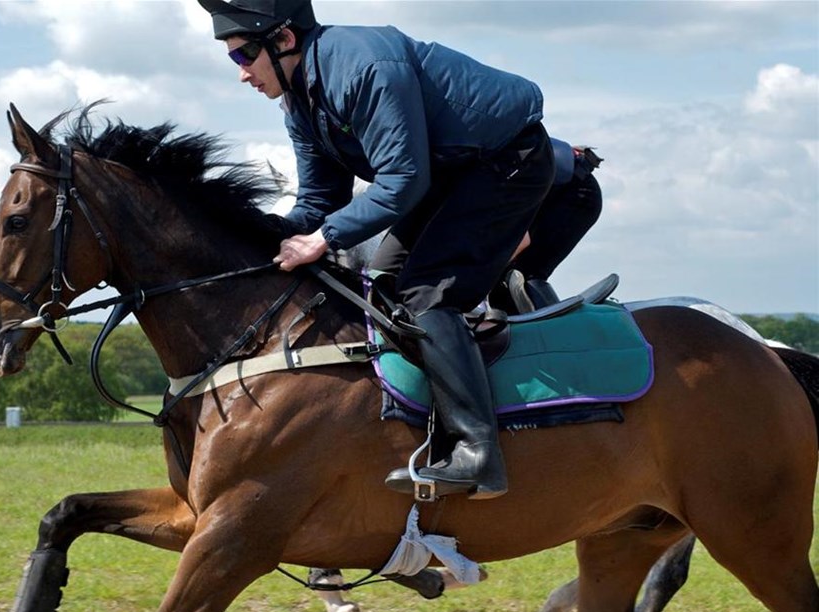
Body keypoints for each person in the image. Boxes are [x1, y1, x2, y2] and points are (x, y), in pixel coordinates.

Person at [199, 0, 555, 500]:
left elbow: (402, 180)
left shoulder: (363, 67)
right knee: (382, 284)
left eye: (244, 57)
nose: (242, 74)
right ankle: (423, 426)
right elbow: (320, 201)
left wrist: (322, 239)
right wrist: (257, 235)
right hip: (449, 177)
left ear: (283, 41)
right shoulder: (299, 101)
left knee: (425, 295)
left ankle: (477, 453)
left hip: (505, 164)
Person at [496, 139, 603, 313]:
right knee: (498, 279)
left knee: (524, 273)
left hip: (576, 193)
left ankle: (560, 328)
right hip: (554, 187)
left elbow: (520, 240)